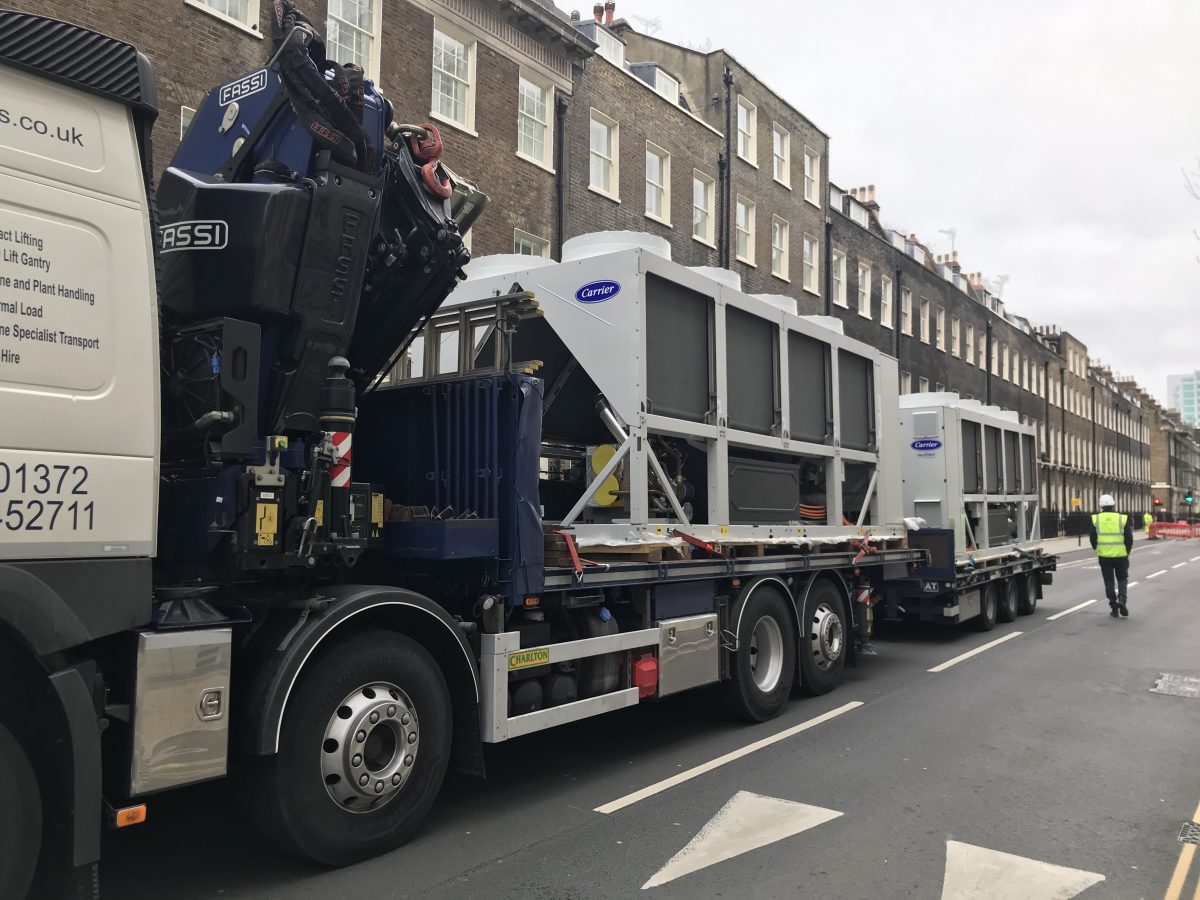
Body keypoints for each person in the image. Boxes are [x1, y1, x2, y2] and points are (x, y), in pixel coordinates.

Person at [1089, 495, 1133, 617]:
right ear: (1113, 505)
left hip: (1104, 556)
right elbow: (1129, 538)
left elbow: (1092, 537)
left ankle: (1114, 607)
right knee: (1122, 579)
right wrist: (1126, 551)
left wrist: (1097, 549)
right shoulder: (1122, 518)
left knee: (1109, 581)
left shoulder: (1096, 519)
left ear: (1101, 506)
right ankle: (1122, 600)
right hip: (1121, 555)